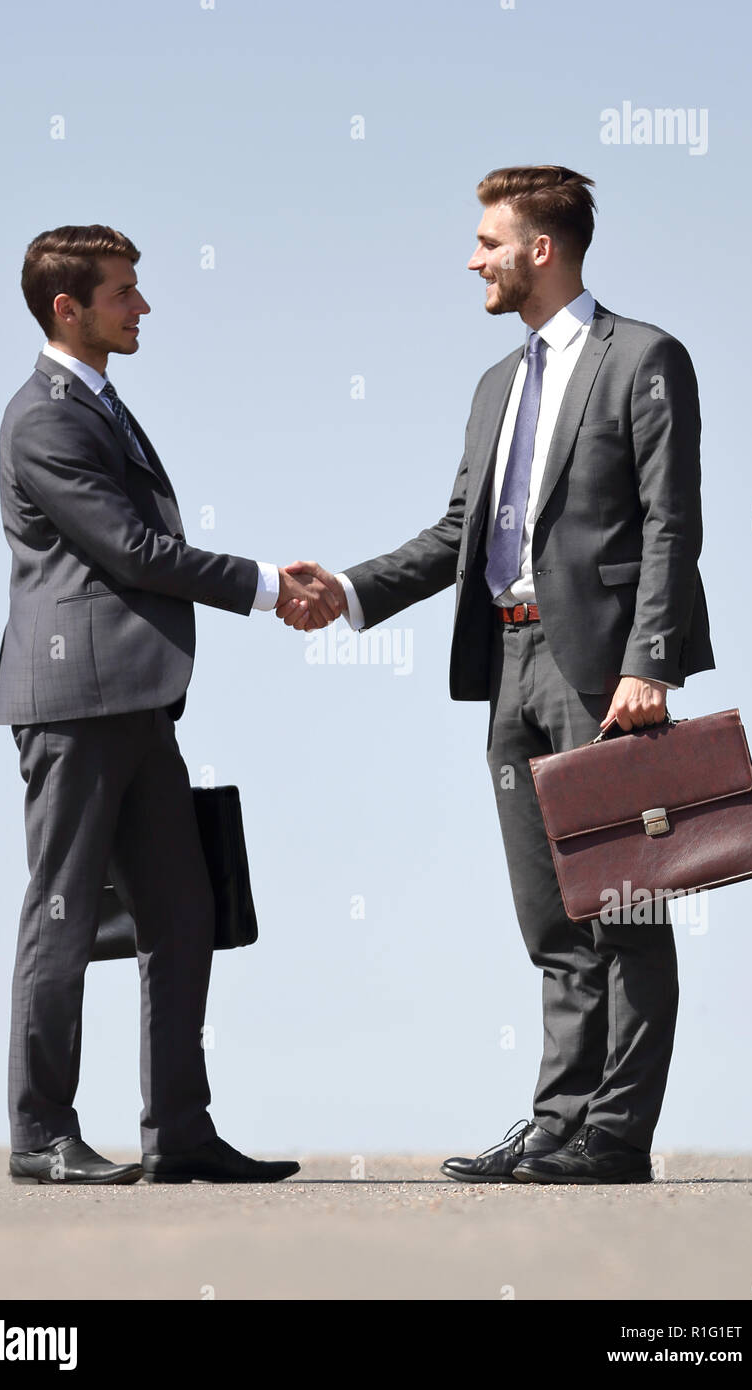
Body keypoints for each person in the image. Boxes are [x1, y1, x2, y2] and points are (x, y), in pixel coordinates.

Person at [280, 166, 714, 1184]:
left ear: (540, 249)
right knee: (553, 913)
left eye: (486, 240)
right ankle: (560, 1120)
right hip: (506, 661)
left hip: (603, 673)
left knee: (628, 908)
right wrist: (344, 591)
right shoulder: (494, 386)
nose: (470, 258)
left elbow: (669, 522)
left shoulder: (644, 358)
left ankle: (614, 1135)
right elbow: (454, 537)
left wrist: (647, 663)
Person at [0, 225, 338, 1184]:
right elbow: (133, 552)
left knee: (183, 911)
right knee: (60, 915)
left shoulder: (100, 404)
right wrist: (269, 586)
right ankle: (40, 1136)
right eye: (124, 293)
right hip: (71, 701)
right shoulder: (45, 418)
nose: (142, 307)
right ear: (70, 308)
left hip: (137, 700)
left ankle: (178, 1133)